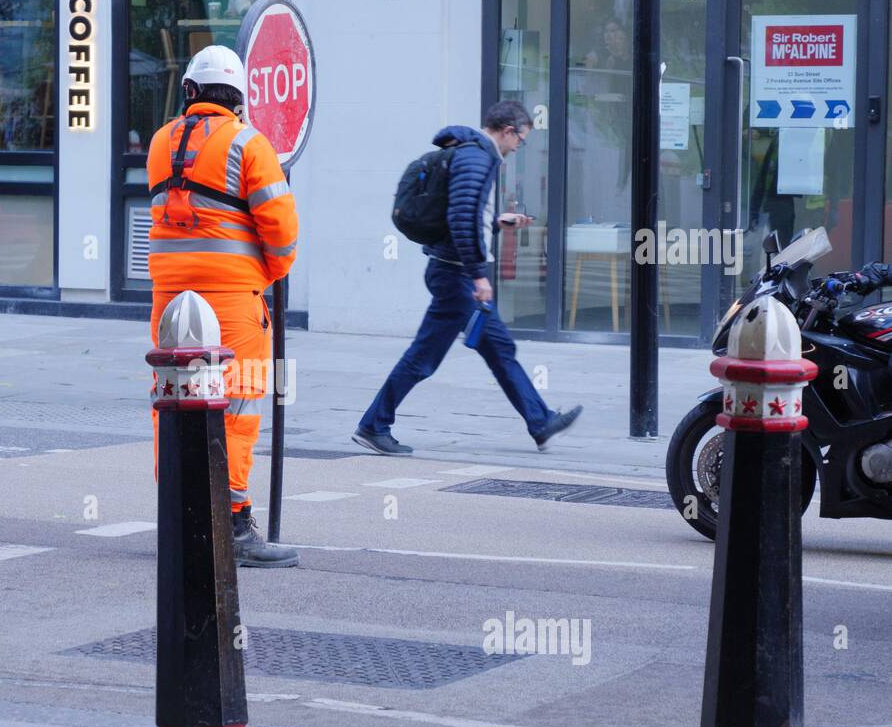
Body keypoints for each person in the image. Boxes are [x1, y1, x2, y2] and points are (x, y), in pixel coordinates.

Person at [354, 100, 583, 455]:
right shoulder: (478, 157)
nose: (519, 146)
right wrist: (478, 274)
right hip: (455, 276)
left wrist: (496, 222)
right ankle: (373, 424)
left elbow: (464, 216)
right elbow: (461, 219)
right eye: (521, 139)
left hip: (454, 271)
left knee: (500, 349)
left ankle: (540, 422)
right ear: (508, 131)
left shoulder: (471, 154)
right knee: (423, 356)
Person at [147, 45, 299, 568]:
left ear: (189, 91)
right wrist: (271, 273)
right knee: (236, 408)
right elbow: (280, 230)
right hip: (233, 301)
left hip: (170, 302)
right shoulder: (249, 143)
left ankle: (181, 518)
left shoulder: (161, 141)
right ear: (238, 100)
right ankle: (232, 525)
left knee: (173, 402)